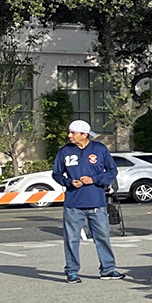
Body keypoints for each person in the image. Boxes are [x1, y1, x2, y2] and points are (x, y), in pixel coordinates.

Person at [52, 119, 127, 284]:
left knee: (102, 237)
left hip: (97, 203)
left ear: (84, 135)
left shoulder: (99, 149)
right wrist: (68, 182)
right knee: (71, 239)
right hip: (73, 204)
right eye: (70, 132)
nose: (69, 135)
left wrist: (93, 180)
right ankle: (72, 271)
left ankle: (108, 269)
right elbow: (56, 173)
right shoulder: (64, 151)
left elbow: (112, 170)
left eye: (73, 133)